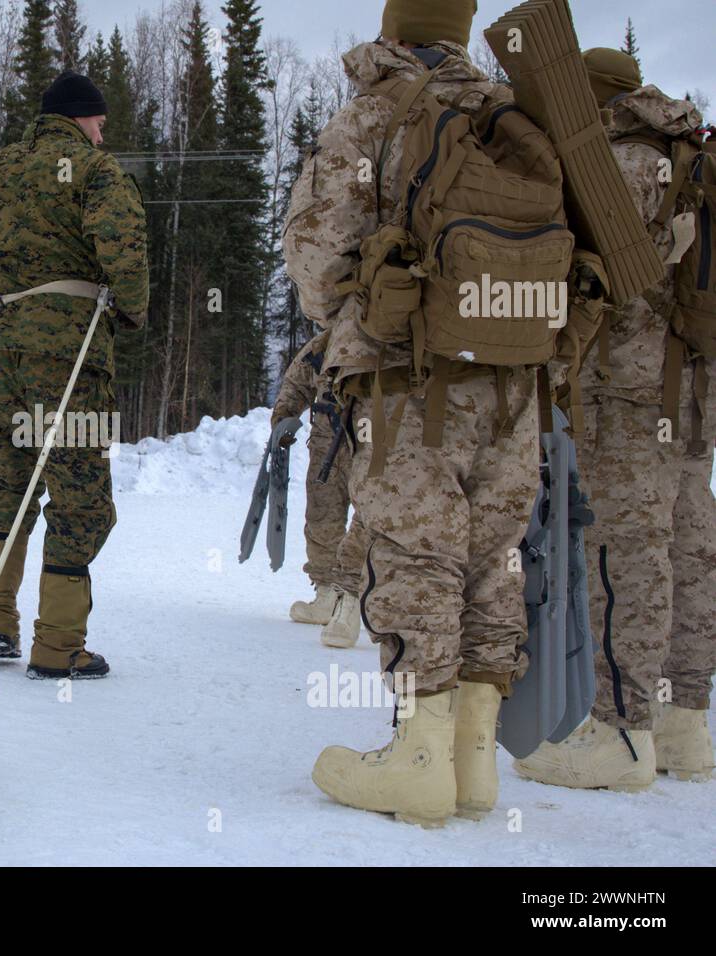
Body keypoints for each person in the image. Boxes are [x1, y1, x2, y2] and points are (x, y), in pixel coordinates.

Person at [282, 0, 542, 826]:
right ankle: (474, 760)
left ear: (395, 27)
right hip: (517, 380)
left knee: (417, 553)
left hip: (408, 377)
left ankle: (419, 758)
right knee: (493, 558)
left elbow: (318, 262)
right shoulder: (517, 118)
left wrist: (350, 317)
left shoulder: (374, 114)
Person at [515, 51, 716, 789]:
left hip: (629, 391)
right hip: (694, 388)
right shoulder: (688, 153)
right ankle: (684, 724)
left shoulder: (620, 167)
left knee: (622, 555)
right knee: (691, 540)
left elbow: (591, 281)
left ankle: (620, 732)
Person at [0, 70, 149, 680]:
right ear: (80, 117)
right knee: (79, 491)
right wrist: (129, 307)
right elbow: (122, 246)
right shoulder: (97, 171)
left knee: (12, 478)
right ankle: (58, 646)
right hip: (66, 356)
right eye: (100, 121)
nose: (104, 134)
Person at [271, 330, 365, 647]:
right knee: (322, 517)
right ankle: (326, 594)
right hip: (327, 437)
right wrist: (283, 421)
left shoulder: (388, 332)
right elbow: (297, 380)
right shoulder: (326, 341)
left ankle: (353, 601)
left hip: (376, 437)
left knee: (371, 520)